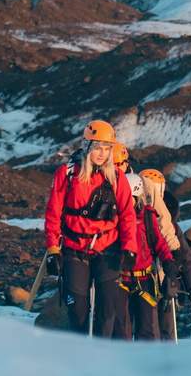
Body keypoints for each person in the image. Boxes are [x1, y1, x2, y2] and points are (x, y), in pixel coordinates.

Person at [43, 120, 138, 337]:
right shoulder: (67, 174)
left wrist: (129, 248)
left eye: (107, 149)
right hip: (74, 249)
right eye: (98, 148)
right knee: (78, 310)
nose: (102, 154)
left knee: (108, 311)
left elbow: (127, 215)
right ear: (87, 147)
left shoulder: (117, 177)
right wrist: (53, 250)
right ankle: (80, 356)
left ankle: (102, 358)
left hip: (108, 250)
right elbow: (53, 214)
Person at [116, 171, 178, 341]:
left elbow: (159, 244)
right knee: (122, 331)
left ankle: (148, 365)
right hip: (120, 281)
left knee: (148, 330)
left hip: (145, 281)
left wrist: (169, 263)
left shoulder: (148, 218)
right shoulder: (114, 219)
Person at [148, 170, 191, 341]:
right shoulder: (146, 219)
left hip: (165, 281)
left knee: (164, 326)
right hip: (156, 280)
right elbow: (185, 257)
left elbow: (184, 257)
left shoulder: (171, 226)